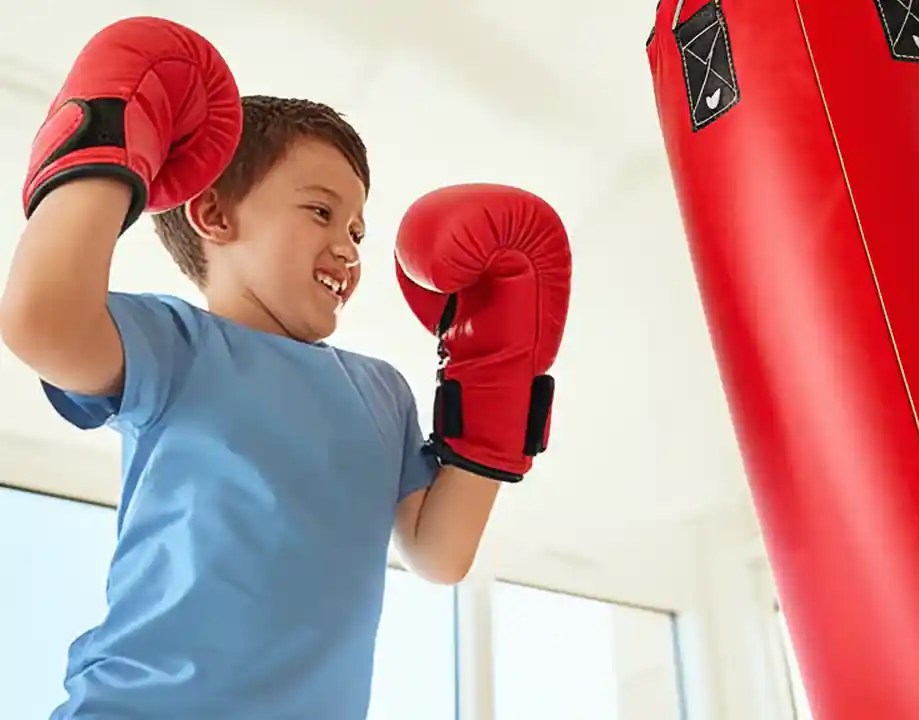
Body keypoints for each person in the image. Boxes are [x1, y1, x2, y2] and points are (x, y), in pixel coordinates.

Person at [0, 15, 571, 719]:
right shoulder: (178, 344)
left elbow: (440, 555)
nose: (348, 246)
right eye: (320, 212)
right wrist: (109, 141)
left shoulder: (379, 391)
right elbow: (40, 320)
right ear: (212, 214)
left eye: (357, 229)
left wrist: (501, 374)